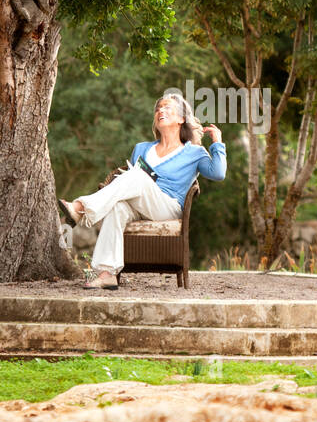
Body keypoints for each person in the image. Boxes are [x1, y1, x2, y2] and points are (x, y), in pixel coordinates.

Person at [59, 92, 226, 290]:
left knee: (138, 176)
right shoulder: (141, 148)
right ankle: (106, 274)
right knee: (118, 207)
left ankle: (80, 208)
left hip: (168, 207)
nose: (160, 110)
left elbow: (218, 173)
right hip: (140, 206)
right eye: (158, 108)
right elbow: (130, 184)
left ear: (181, 119)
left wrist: (217, 142)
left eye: (167, 107)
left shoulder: (194, 152)